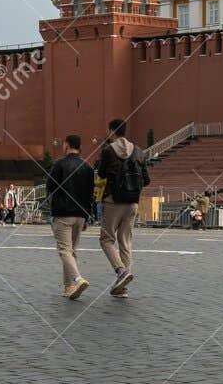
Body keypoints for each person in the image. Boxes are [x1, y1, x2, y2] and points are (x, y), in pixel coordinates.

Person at [97, 119, 149, 297]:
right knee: (125, 241)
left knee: (106, 239)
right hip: (133, 201)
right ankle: (122, 287)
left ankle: (121, 271)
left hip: (114, 200)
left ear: (112, 131)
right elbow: (147, 179)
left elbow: (102, 173)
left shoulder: (108, 151)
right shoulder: (139, 151)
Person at [47, 134, 95, 299]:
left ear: (66, 145)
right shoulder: (87, 167)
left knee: (64, 250)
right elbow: (90, 194)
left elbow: (51, 186)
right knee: (71, 251)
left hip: (63, 213)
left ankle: (77, 279)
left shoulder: (59, 164)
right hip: (80, 214)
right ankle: (69, 287)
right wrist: (87, 216)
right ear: (79, 147)